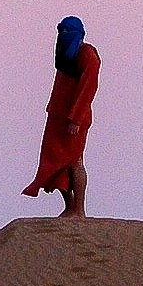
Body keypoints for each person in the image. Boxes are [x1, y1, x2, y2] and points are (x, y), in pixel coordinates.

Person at [24, 14, 100, 216]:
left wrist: (75, 118)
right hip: (57, 118)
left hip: (75, 120)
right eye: (61, 30)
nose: (63, 34)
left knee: (74, 160)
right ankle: (70, 207)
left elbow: (88, 88)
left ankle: (80, 211)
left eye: (67, 31)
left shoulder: (87, 55)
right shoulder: (65, 54)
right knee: (53, 162)